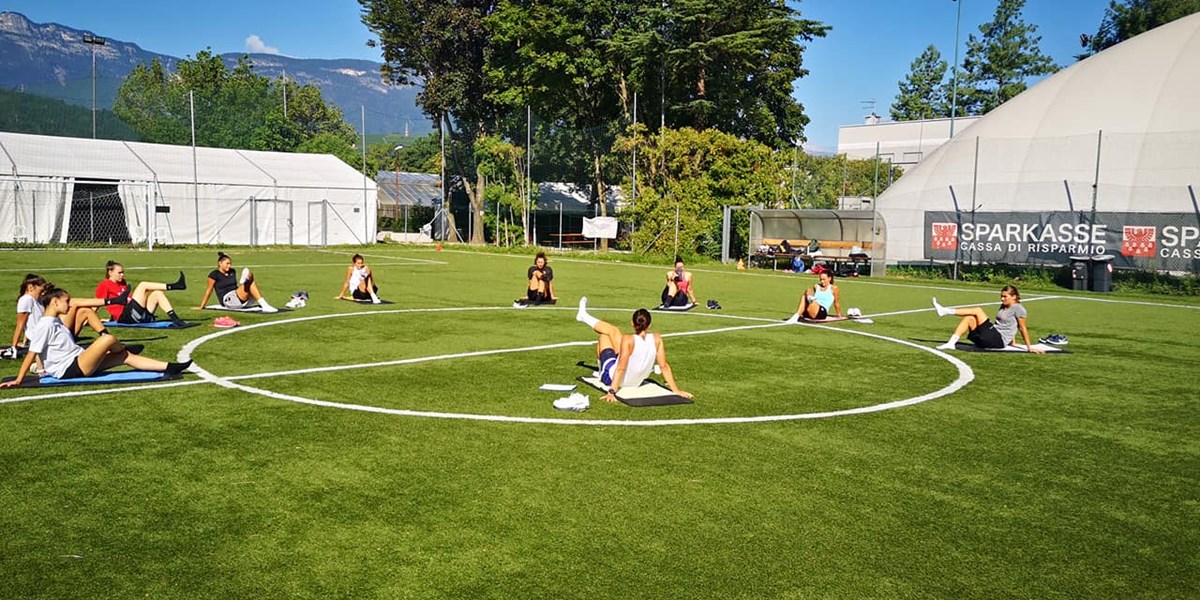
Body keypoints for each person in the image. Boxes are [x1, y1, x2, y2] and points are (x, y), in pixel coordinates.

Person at [0, 286, 191, 388]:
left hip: (78, 359)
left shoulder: (56, 321)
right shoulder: (45, 325)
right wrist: (18, 380)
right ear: (55, 302)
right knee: (106, 339)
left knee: (125, 357)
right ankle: (119, 346)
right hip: (69, 368)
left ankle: (170, 367)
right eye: (66, 301)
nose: (69, 303)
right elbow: (32, 354)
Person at [575, 297, 691, 403]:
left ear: (632, 324)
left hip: (612, 379)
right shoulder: (657, 338)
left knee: (604, 336)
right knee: (614, 332)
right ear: (649, 325)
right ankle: (583, 316)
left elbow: (621, 368)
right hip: (636, 382)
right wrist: (676, 390)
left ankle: (584, 317)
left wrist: (611, 392)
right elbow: (664, 367)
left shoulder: (628, 339)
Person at [932, 285, 1045, 353]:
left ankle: (945, 311)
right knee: (969, 318)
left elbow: (1022, 328)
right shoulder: (1004, 306)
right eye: (1001, 296)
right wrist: (1012, 342)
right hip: (989, 338)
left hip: (998, 340)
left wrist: (1029, 347)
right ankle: (951, 343)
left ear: (1014, 297)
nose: (1002, 299)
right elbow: (1008, 324)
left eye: (1005, 296)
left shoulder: (1019, 309)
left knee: (978, 310)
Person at [95, 261, 188, 326]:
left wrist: (110, 319)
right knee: (143, 285)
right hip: (127, 317)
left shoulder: (122, 283)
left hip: (135, 314)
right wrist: (89, 320)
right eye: (119, 273)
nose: (122, 275)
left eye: (123, 272)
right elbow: (97, 304)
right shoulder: (104, 284)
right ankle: (175, 286)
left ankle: (176, 319)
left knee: (157, 293)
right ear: (110, 272)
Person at [195, 252, 278, 313]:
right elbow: (209, 290)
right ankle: (264, 305)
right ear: (220, 263)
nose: (229, 266)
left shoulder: (232, 271)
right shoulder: (214, 274)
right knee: (250, 282)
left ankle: (245, 281)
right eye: (227, 263)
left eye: (230, 263)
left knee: (251, 277)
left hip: (237, 295)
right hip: (228, 299)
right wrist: (202, 306)